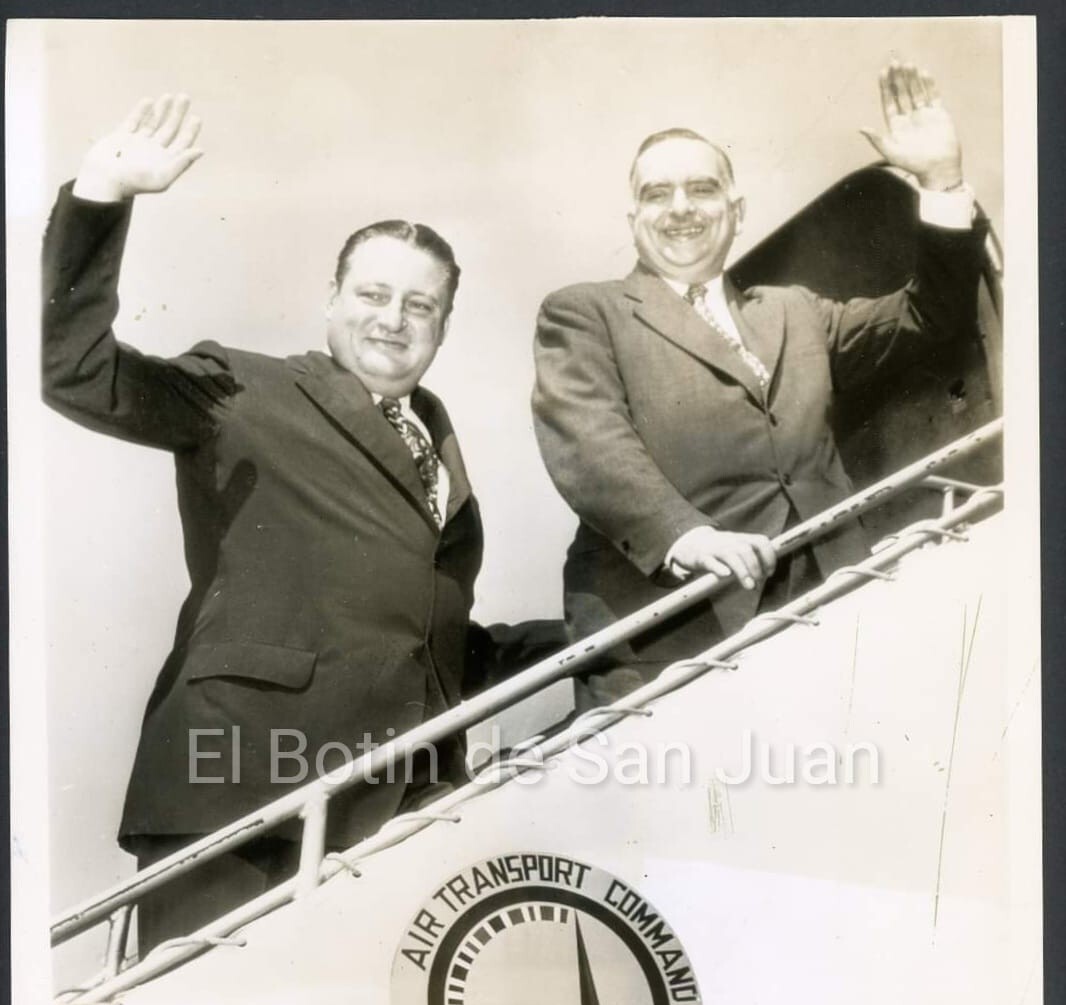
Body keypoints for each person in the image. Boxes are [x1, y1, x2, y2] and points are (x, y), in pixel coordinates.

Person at [43, 94, 559, 952]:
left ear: (443, 326)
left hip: (396, 811)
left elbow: (426, 644)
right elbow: (76, 371)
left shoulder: (437, 442)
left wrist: (601, 623)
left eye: (419, 306)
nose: (393, 319)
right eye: (373, 293)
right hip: (243, 794)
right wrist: (103, 194)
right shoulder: (242, 390)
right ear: (332, 298)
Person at [532, 63, 985, 709]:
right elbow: (590, 443)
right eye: (658, 194)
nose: (681, 208)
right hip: (673, 628)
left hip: (834, 599)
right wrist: (688, 537)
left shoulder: (794, 310)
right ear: (633, 216)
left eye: (702, 189)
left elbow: (928, 317)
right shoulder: (585, 312)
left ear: (736, 210)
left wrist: (941, 182)